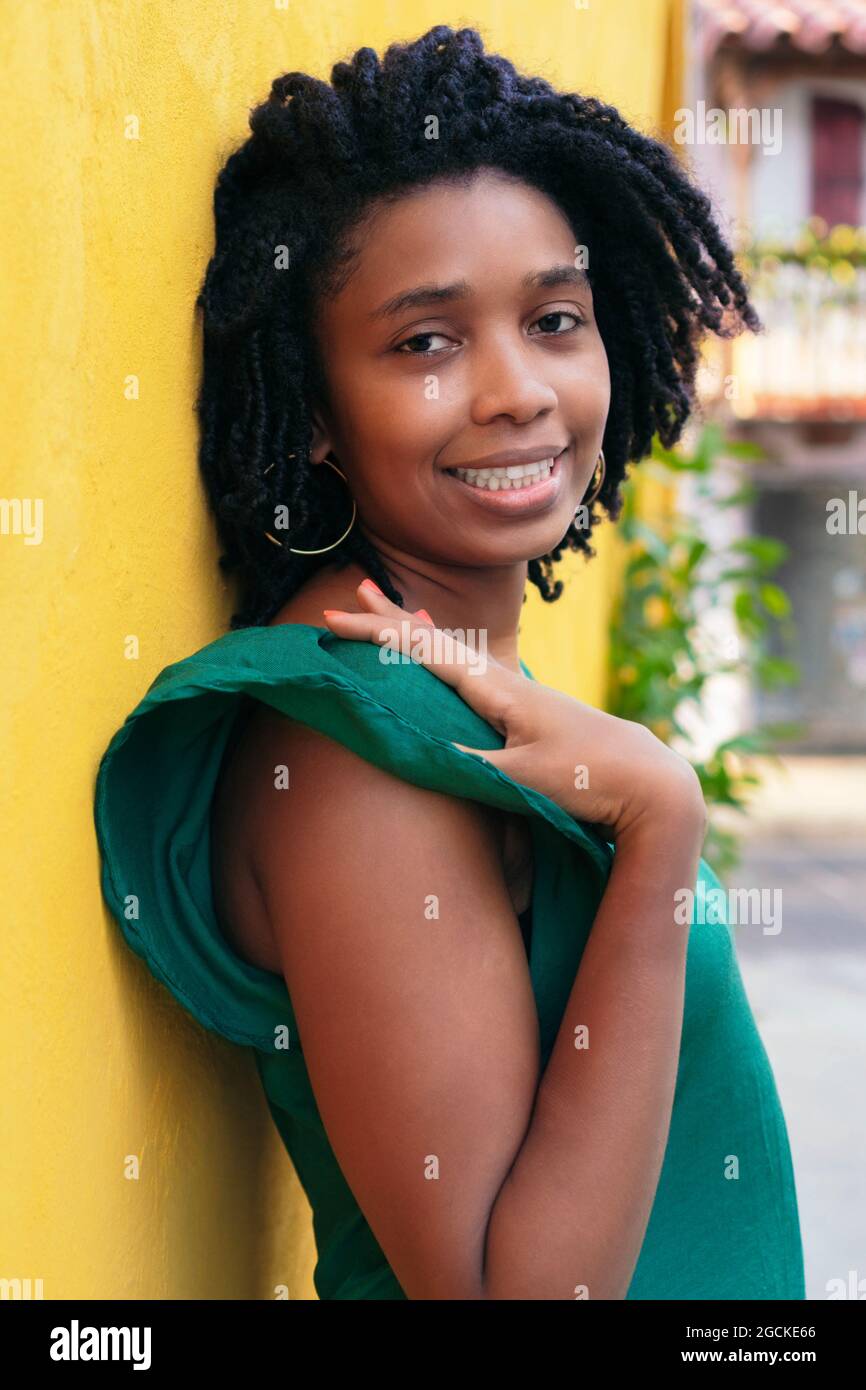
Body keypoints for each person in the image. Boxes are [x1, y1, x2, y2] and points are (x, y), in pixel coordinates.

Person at [94, 24, 806, 1300]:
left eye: (552, 319)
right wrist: (660, 822)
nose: (515, 390)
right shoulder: (352, 744)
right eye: (425, 343)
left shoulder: (453, 697)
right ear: (313, 412)